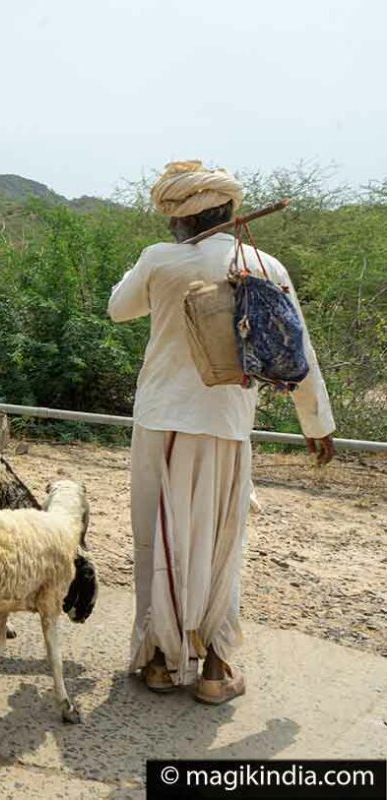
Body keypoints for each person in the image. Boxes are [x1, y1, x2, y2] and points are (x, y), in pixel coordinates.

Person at [108, 160, 335, 705]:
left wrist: (151, 264)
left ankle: (160, 662)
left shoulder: (158, 260)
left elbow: (119, 309)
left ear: (182, 219)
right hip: (225, 425)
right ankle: (215, 667)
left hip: (160, 421)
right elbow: (296, 348)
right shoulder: (264, 264)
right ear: (229, 211)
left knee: (158, 537)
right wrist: (316, 423)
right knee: (219, 542)